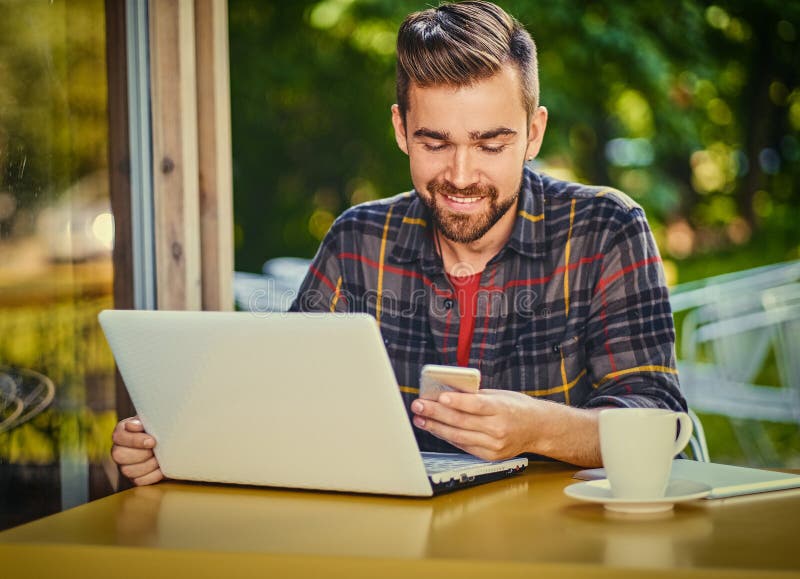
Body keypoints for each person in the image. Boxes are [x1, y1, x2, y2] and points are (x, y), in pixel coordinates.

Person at [111, 0, 685, 486]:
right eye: (435, 143)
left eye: (490, 145)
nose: (461, 175)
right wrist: (174, 448)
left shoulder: (605, 229)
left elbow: (661, 423)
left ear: (533, 132)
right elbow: (280, 406)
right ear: (400, 129)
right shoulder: (358, 241)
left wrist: (537, 428)